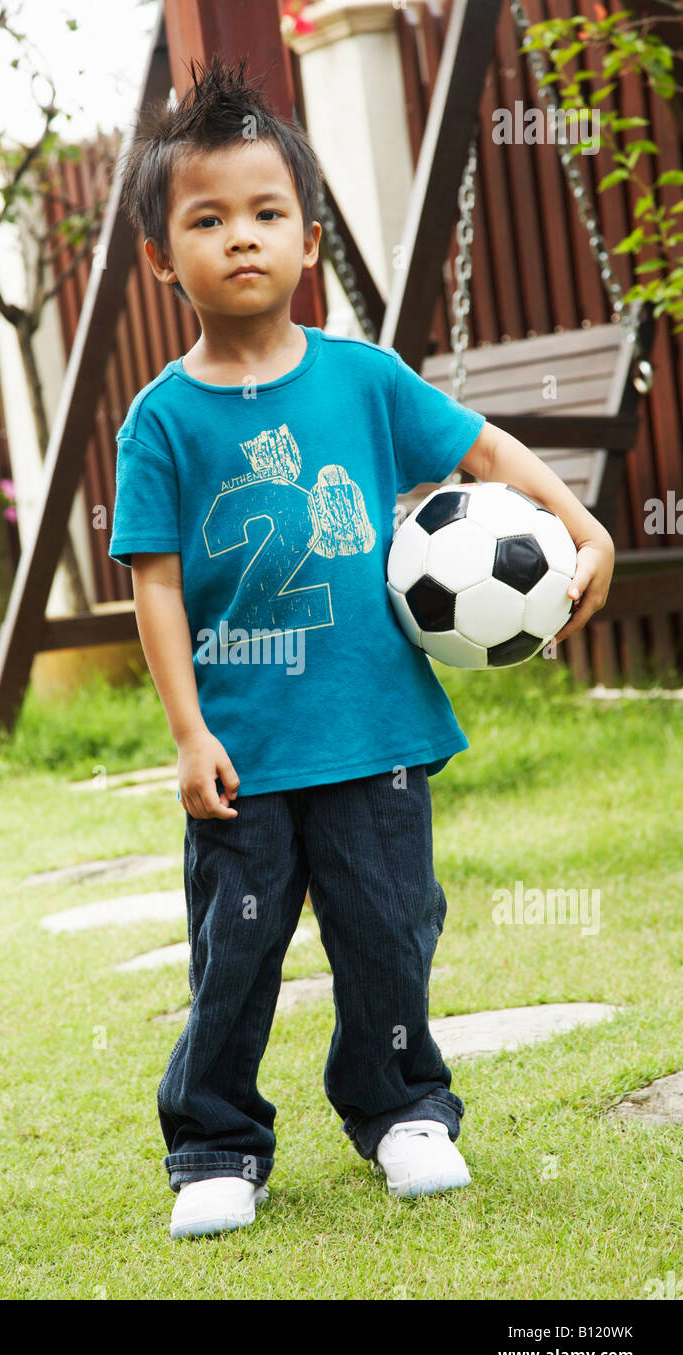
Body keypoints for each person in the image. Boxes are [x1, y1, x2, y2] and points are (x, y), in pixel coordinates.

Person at [107, 55, 614, 1240]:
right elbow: (158, 588)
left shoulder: (366, 380)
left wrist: (582, 525)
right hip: (247, 753)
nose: (244, 238)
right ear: (160, 258)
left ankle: (401, 1108)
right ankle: (218, 1139)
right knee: (235, 955)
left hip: (378, 736)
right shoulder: (161, 422)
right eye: (209, 218)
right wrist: (187, 732)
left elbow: (484, 451)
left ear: (310, 236)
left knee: (389, 932)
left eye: (269, 213)